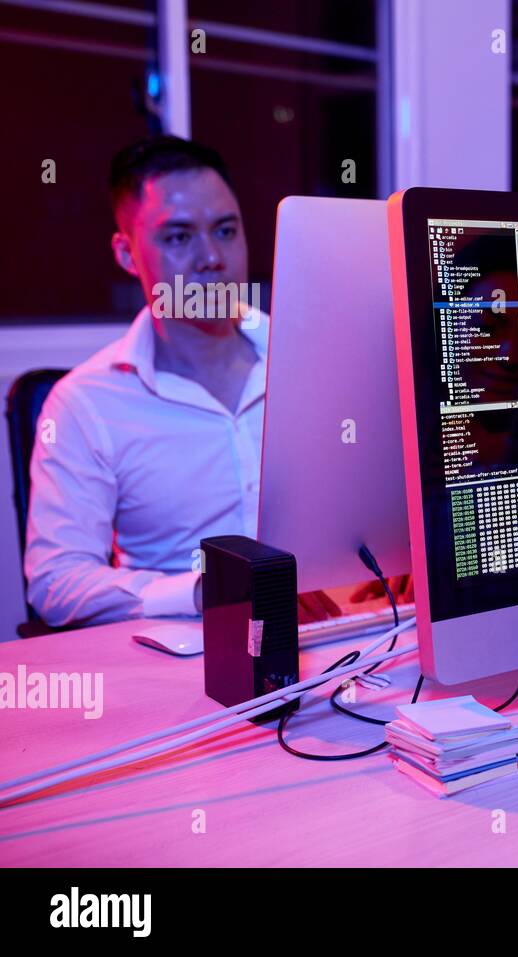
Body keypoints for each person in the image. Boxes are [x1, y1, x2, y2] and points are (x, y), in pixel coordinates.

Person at [24, 136, 341, 626]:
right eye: (178, 237)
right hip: (178, 656)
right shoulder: (85, 404)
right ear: (128, 254)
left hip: (343, 637)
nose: (211, 257)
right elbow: (56, 581)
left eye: (226, 230)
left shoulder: (313, 363)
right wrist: (202, 591)